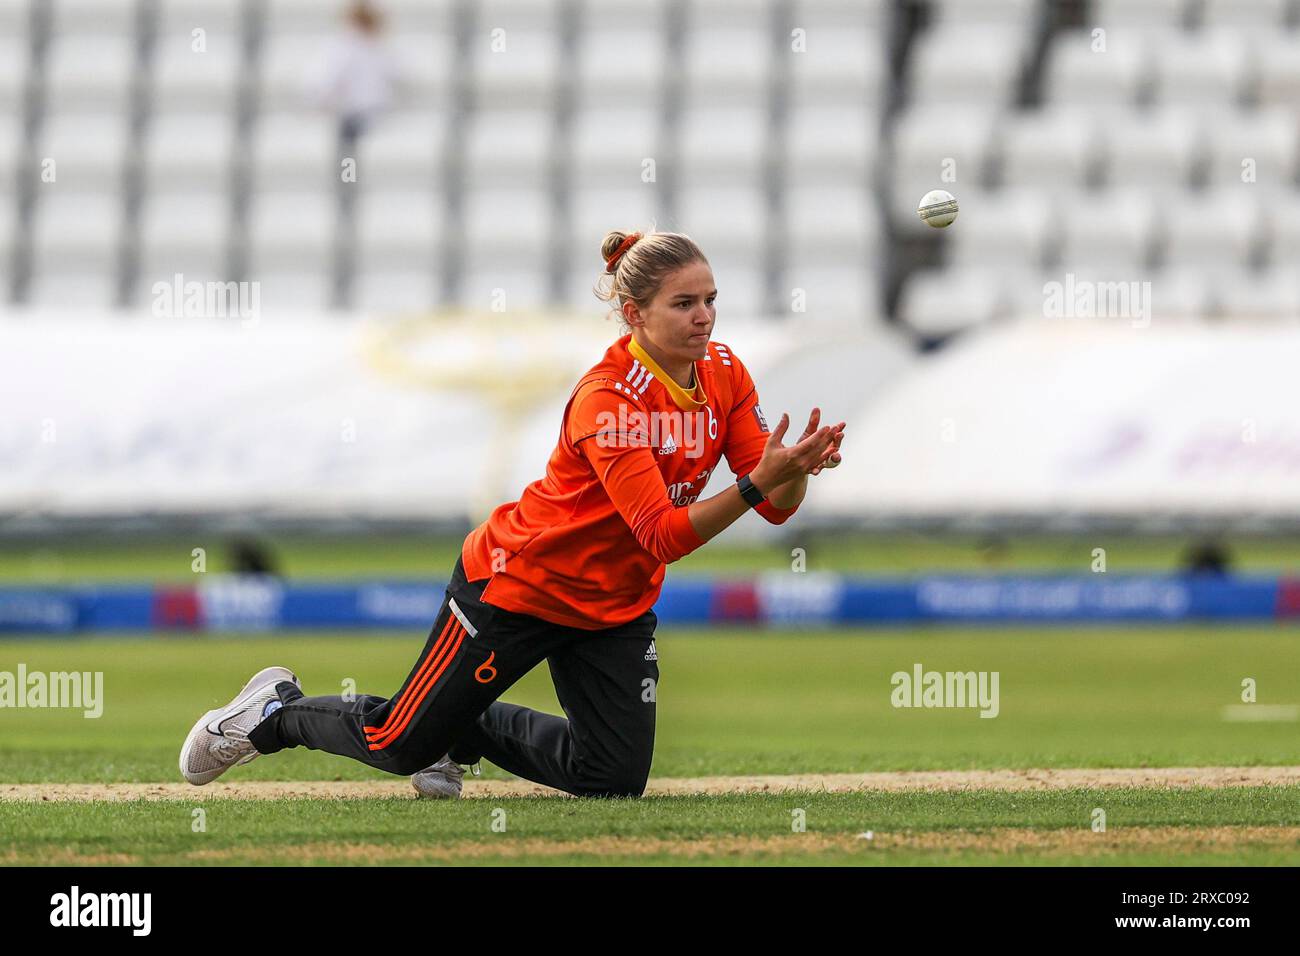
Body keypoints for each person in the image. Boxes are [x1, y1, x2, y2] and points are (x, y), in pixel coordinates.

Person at [179, 229, 846, 798]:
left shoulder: (725, 372)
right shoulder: (608, 399)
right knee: (396, 744)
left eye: (709, 301)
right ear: (636, 314)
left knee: (611, 778)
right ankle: (272, 714)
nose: (704, 318)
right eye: (684, 304)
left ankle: (459, 724)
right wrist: (761, 486)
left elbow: (779, 508)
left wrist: (790, 474)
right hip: (518, 585)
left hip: (613, 604)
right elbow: (663, 535)